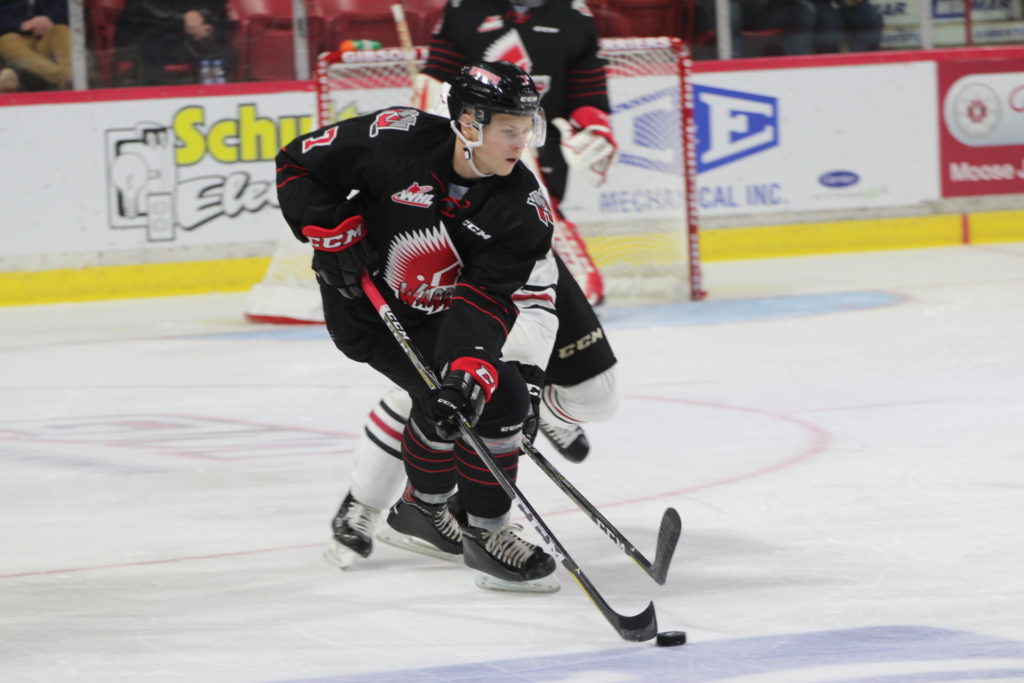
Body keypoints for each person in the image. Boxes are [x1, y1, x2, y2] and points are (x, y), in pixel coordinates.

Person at [276, 61, 564, 592]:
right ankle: (455, 521)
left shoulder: (522, 211)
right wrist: (327, 227)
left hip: (439, 317)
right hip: (364, 310)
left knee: (483, 398)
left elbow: (485, 300)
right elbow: (297, 163)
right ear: (470, 124)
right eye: (509, 129)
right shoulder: (394, 139)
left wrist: (466, 370)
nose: (521, 143)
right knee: (480, 401)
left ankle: (443, 518)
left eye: (528, 129)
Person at [325, 250, 622, 572]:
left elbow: (532, 291)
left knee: (596, 397)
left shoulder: (514, 206)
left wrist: (527, 385)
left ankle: (532, 411)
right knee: (437, 388)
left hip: (517, 264)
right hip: (433, 265)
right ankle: (368, 500)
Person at [413, 0, 617, 307]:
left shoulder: (573, 14)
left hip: (542, 138)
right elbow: (441, 80)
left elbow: (590, 91)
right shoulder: (466, 8)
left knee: (530, 218)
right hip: (476, 138)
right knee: (470, 217)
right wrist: (427, 94)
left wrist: (595, 130)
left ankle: (555, 292)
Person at [114, 0, 233, 86]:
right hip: (152, 31)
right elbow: (141, 6)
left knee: (221, 51)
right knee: (150, 51)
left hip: (196, 32)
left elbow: (217, 7)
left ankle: (216, 100)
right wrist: (184, 19)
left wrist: (201, 21)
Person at [0, 0, 71, 92]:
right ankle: (65, 79)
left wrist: (50, 20)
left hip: (48, 32)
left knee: (61, 30)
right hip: (14, 35)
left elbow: (70, 9)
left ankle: (72, 77)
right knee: (6, 41)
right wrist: (21, 25)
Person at [811, 0, 883, 54]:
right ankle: (828, 63)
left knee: (871, 18)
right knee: (829, 22)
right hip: (821, 3)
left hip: (850, 4)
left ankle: (862, 63)